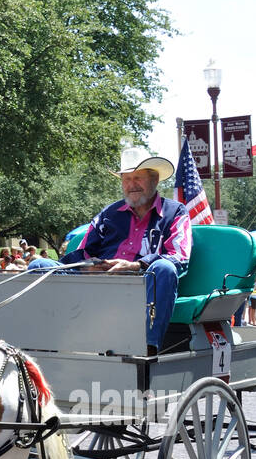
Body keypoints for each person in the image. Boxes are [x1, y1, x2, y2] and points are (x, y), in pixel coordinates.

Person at [35, 148, 190, 355]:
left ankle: (146, 350)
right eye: (126, 179)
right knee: (39, 265)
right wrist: (88, 267)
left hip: (142, 286)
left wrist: (136, 266)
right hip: (98, 284)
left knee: (165, 267)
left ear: (154, 180)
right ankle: (41, 346)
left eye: (138, 178)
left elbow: (180, 256)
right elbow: (83, 253)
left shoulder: (175, 212)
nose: (131, 185)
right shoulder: (109, 213)